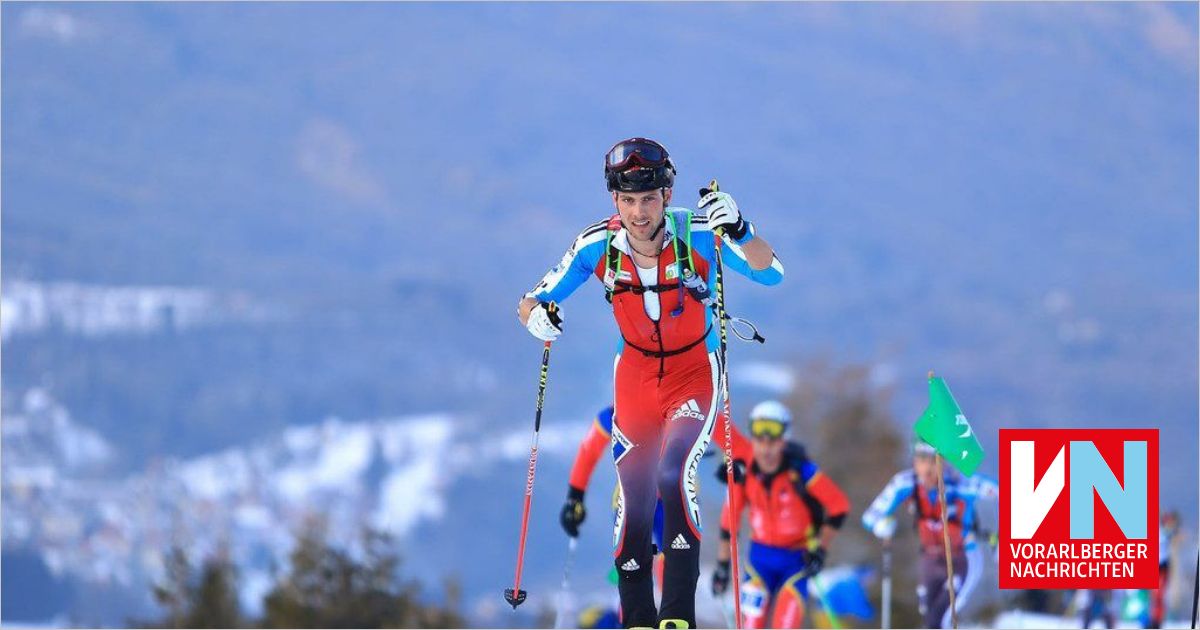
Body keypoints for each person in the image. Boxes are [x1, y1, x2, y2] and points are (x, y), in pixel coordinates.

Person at [518, 137, 784, 628]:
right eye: (627, 200)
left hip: (693, 371)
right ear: (614, 200)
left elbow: (771, 273)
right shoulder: (596, 245)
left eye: (649, 199)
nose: (639, 212)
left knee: (672, 471)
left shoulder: (701, 234)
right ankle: (638, 617)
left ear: (667, 195)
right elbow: (532, 299)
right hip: (637, 378)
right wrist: (538, 318)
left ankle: (678, 616)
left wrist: (742, 230)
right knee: (635, 493)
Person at [709, 400, 851, 629]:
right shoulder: (743, 460)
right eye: (759, 440)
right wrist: (723, 567)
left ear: (784, 440)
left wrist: (820, 550)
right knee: (751, 625)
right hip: (759, 560)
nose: (766, 449)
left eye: (773, 441)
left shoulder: (801, 470)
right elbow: (729, 522)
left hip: (795, 562)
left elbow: (839, 505)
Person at [861, 439, 999, 629]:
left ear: (944, 462)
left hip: (962, 559)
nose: (927, 469)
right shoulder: (905, 483)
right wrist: (881, 525)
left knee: (939, 619)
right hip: (930, 559)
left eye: (933, 461)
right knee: (929, 619)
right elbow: (870, 516)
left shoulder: (963, 484)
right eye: (920, 460)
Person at [560, 405, 665, 596]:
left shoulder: (675, 405)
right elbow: (588, 452)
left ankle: (670, 614)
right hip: (629, 499)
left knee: (672, 559)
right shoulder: (613, 414)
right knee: (633, 564)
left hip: (669, 498)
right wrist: (575, 498)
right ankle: (631, 615)